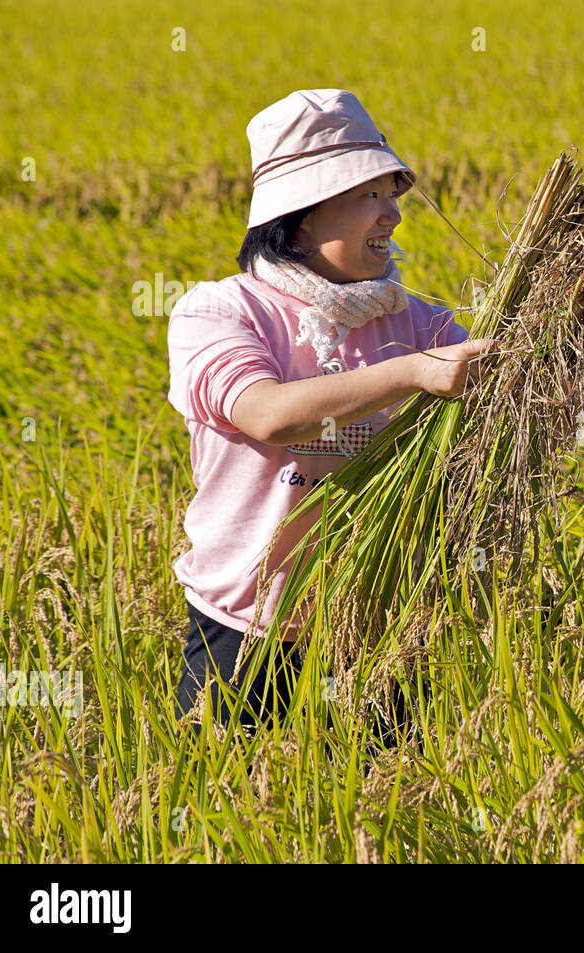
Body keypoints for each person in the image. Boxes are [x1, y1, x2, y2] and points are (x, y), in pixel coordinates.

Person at [167, 88, 495, 736]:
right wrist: (413, 374)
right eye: (365, 196)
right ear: (303, 217)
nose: (392, 215)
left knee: (379, 820)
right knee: (232, 815)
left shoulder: (419, 320)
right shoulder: (219, 313)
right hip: (245, 631)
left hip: (376, 630)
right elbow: (266, 414)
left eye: (390, 193)